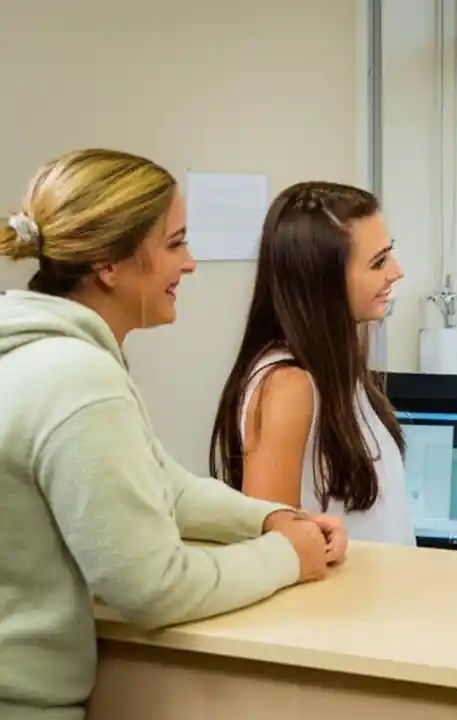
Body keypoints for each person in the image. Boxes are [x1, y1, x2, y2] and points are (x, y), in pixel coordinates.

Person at [0, 149, 347, 719]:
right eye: (175, 243)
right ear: (110, 264)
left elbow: (164, 484)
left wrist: (269, 519)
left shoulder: (41, 353)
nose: (189, 264)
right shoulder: (76, 379)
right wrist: (287, 557)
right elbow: (153, 587)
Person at [209, 181, 415, 546]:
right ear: (324, 283)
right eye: (378, 262)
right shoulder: (288, 386)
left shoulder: (339, 370)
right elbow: (272, 550)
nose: (396, 271)